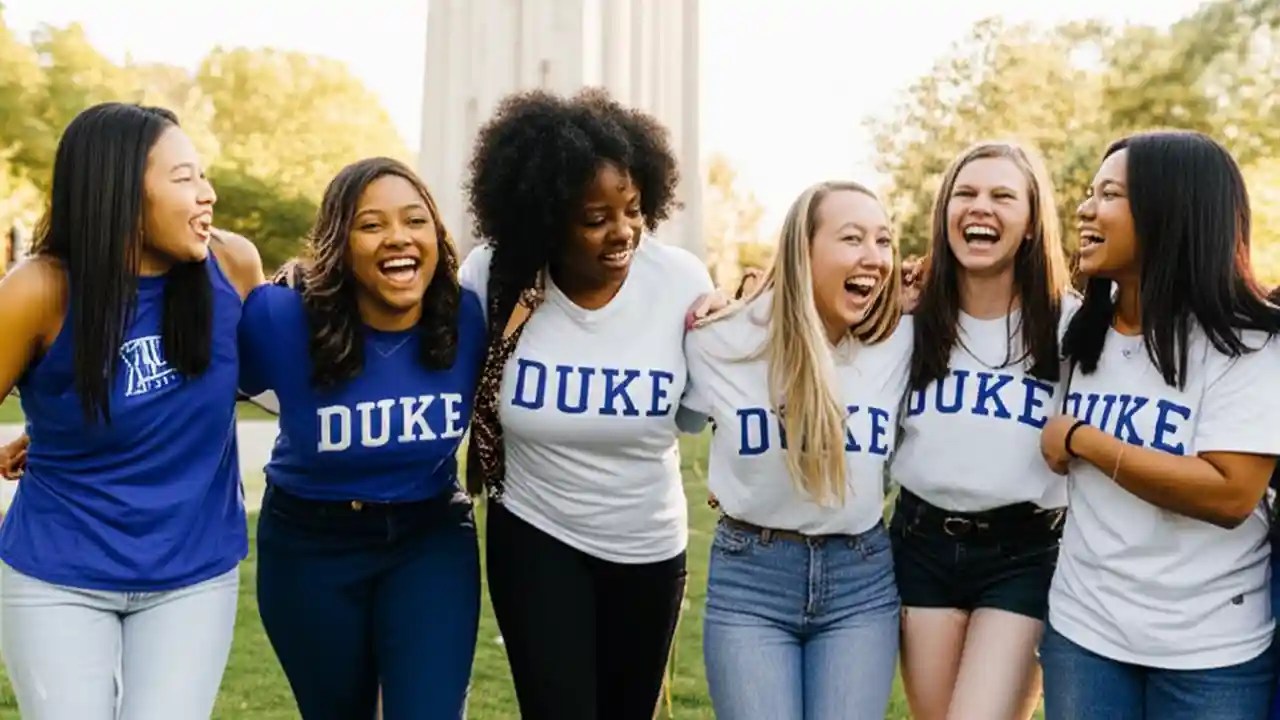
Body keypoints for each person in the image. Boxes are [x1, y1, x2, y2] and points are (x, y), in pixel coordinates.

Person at [0, 102, 264, 720]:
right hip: (56, 576)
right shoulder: (38, 290)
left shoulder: (232, 265)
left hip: (193, 576)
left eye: (203, 175)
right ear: (119, 189)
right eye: (184, 179)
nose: (208, 194)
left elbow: (289, 385)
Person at [461, 87, 715, 719]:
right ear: (545, 218)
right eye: (595, 217)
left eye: (632, 209)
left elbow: (696, 413)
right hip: (536, 535)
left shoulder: (679, 280)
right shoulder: (495, 276)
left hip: (647, 549)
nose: (622, 230)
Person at [1037, 130, 1280, 719]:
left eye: (1110, 195)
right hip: (1084, 633)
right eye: (1091, 192)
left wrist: (1082, 439)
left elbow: (1230, 492)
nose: (1084, 209)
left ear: (1170, 211)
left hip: (1210, 651)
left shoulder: (1248, 343)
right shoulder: (1078, 332)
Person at [238, 156, 486, 720]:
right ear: (338, 244)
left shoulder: (467, 316)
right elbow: (196, 391)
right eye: (371, 225)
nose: (397, 238)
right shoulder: (280, 318)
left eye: (414, 220)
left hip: (429, 538)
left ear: (436, 235)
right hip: (310, 546)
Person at [682, 180, 909, 719]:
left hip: (861, 580)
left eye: (884, 241)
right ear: (801, 252)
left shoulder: (901, 338)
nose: (874, 258)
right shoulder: (720, 340)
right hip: (751, 581)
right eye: (852, 238)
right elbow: (671, 419)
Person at [888, 141, 1075, 720]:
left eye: (1001, 196)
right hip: (921, 544)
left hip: (1024, 552)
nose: (979, 208)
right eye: (964, 194)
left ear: (1029, 223)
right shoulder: (908, 320)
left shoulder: (1070, 325)